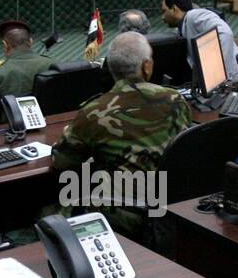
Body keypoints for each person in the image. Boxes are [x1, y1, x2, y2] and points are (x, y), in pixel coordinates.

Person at [50, 32, 191, 239]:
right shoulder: (175, 100)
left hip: (123, 213)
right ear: (146, 66)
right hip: (173, 204)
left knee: (47, 211)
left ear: (110, 69)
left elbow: (62, 162)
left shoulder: (94, 111)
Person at [160, 0, 238, 83]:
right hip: (222, 83)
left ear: (174, 9)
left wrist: (214, 71)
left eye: (164, 11)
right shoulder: (182, 26)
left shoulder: (195, 15)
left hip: (233, 80)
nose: (162, 17)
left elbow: (225, 33)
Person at [0, 20, 53, 126]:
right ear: (31, 41)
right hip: (52, 122)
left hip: (13, 128)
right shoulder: (52, 64)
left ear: (5, 44)